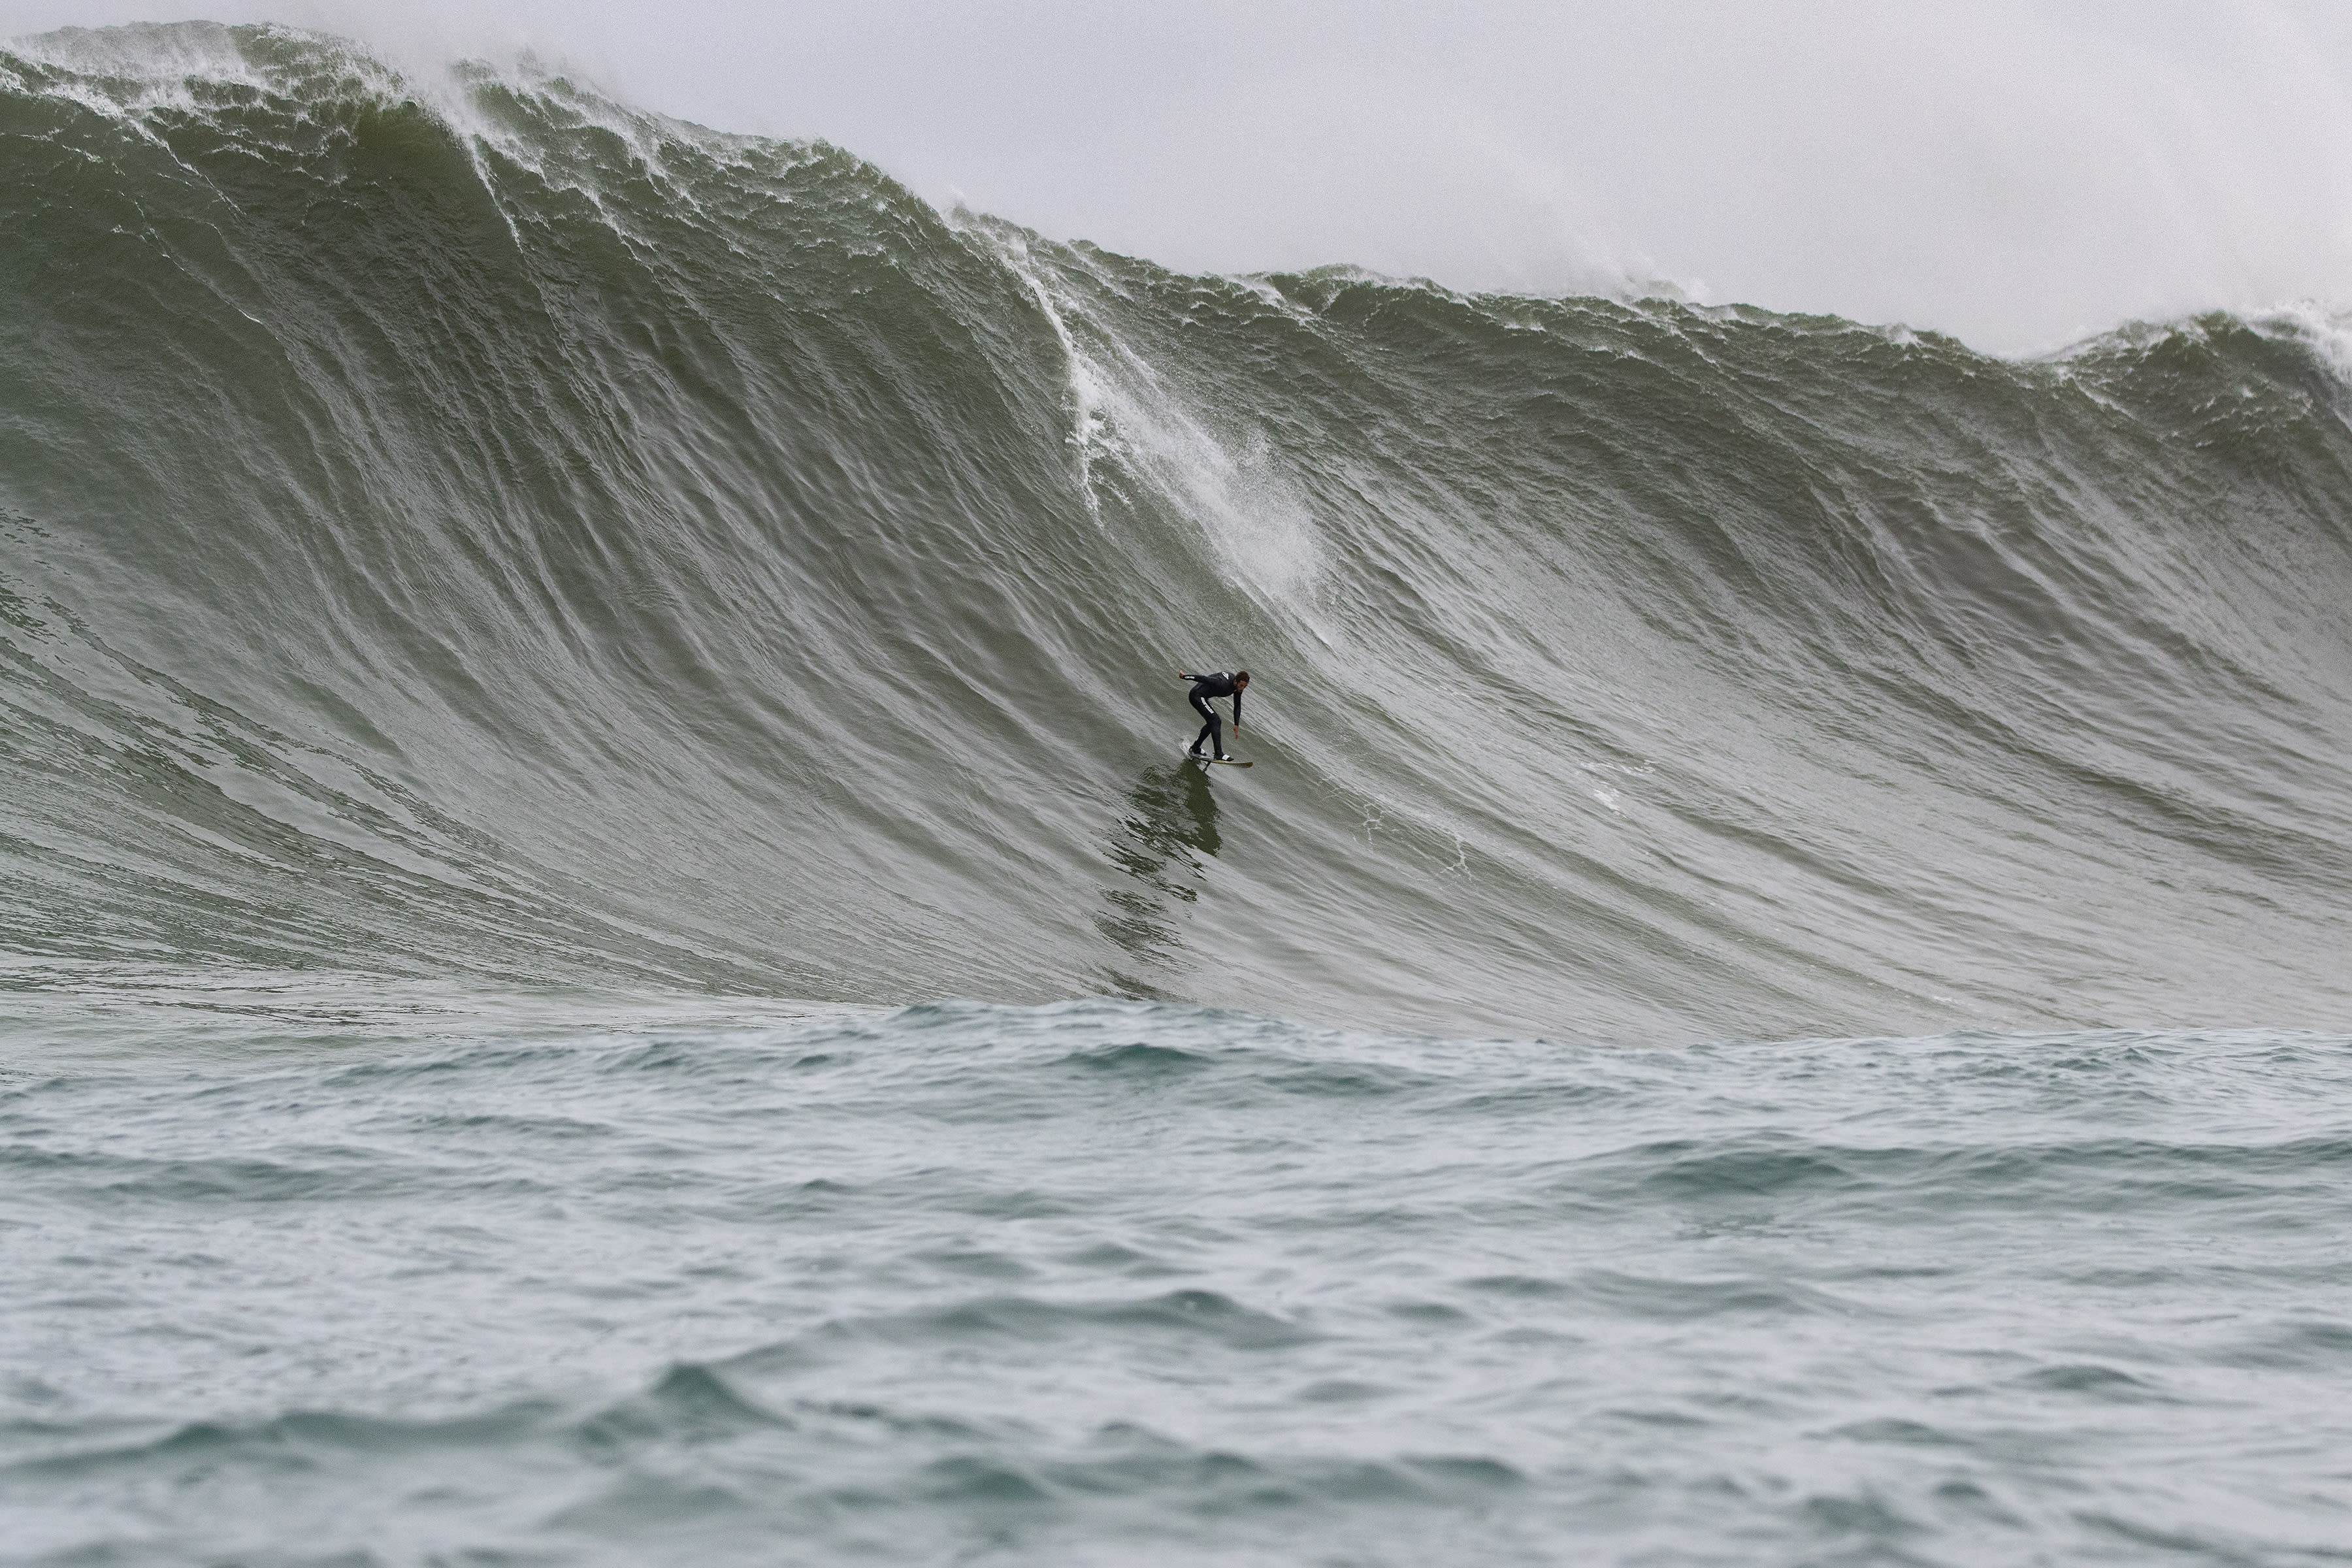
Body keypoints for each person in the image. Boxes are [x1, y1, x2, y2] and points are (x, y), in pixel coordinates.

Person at [1179, 668, 1250, 760]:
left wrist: (1236, 724)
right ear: (1236, 681)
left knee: (1212, 723)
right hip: (1197, 696)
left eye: (1245, 686)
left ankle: (1196, 748)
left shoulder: (1236, 687)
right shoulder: (1223, 684)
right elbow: (1205, 679)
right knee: (1216, 721)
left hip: (1204, 697)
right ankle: (1218, 753)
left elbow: (1237, 705)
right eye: (1241, 685)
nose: (1242, 688)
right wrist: (1185, 677)